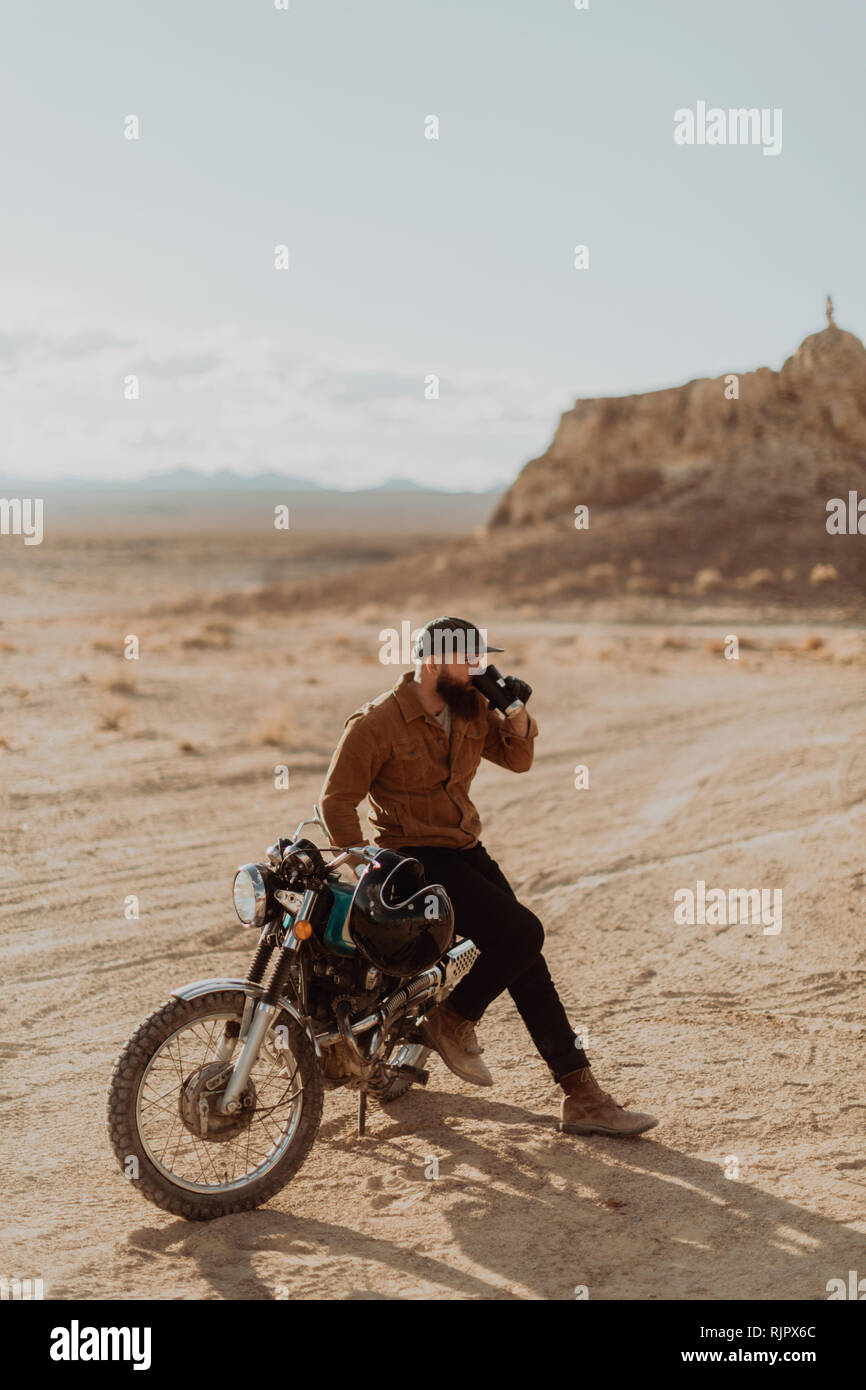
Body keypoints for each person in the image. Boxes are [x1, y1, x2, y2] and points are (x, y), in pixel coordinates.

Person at [319, 615, 658, 1137]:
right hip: (410, 858)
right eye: (470, 661)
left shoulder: (472, 707)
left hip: (464, 851)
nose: (482, 670)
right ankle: (451, 1020)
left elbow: (518, 759)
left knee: (525, 955)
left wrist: (516, 710)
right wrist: (366, 865)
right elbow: (336, 800)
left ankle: (582, 1096)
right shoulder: (376, 723)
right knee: (524, 933)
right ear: (434, 662)